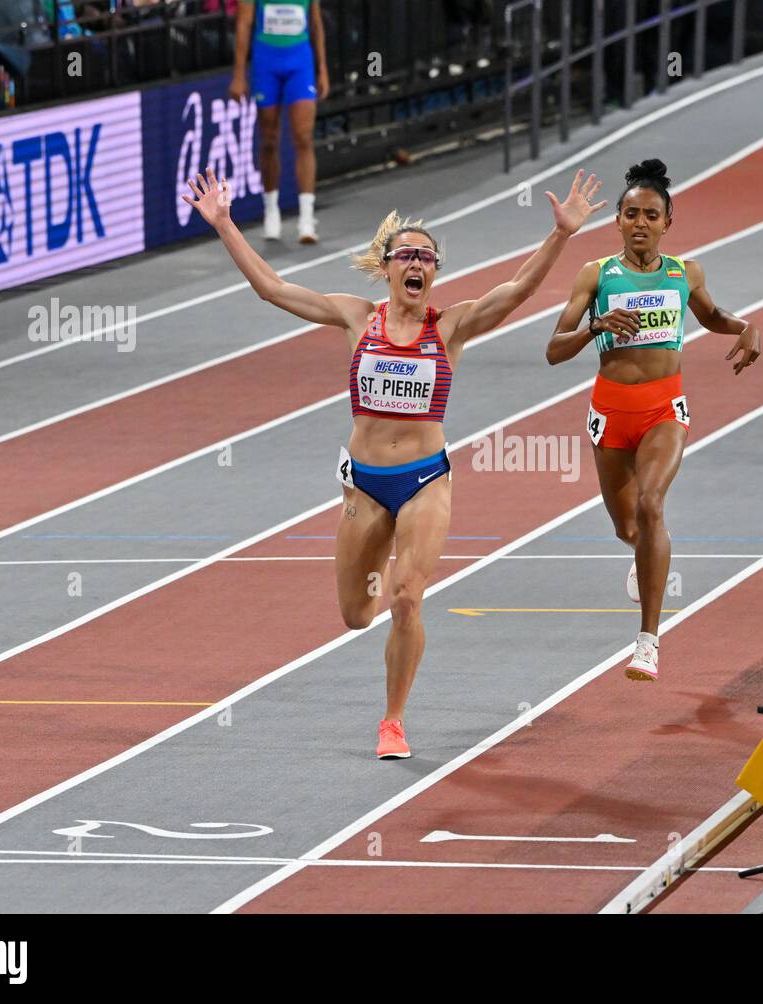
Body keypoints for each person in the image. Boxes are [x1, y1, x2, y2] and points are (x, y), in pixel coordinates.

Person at [183, 166, 606, 757]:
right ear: (386, 268)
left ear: (435, 272)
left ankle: (393, 721)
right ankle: (381, 556)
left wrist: (560, 236)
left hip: (425, 480)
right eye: (406, 255)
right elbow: (274, 290)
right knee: (357, 615)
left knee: (408, 596)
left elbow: (516, 293)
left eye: (427, 258)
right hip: (364, 486)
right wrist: (226, 224)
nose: (417, 264)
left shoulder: (451, 325)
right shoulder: (358, 317)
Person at [546, 159, 760, 682]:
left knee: (651, 504)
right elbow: (554, 350)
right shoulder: (595, 275)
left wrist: (744, 326)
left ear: (668, 222)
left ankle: (647, 642)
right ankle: (643, 559)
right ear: (617, 221)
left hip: (665, 409)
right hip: (610, 411)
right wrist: (596, 327)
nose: (640, 222)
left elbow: (709, 316)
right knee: (629, 528)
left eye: (650, 215)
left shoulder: (685, 272)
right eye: (630, 214)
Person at [230, 0, 329, 244]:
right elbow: (244, 24)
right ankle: (271, 210)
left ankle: (306, 217)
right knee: (269, 139)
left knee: (304, 137)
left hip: (300, 61)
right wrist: (239, 75)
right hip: (267, 62)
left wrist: (323, 68)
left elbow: (315, 23)